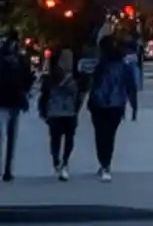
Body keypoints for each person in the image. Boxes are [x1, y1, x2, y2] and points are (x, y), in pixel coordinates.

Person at [88, 35, 138, 182]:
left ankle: (103, 162)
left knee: (100, 134)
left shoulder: (99, 65)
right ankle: (106, 163)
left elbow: (91, 85)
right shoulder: (124, 66)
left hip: (98, 103)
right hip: (116, 104)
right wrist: (134, 106)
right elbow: (131, 88)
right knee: (110, 135)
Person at [38, 48, 86, 181]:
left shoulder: (55, 77)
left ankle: (60, 161)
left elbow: (44, 94)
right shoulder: (69, 77)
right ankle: (62, 161)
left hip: (60, 112)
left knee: (59, 138)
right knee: (63, 138)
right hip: (63, 111)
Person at [0, 29, 35, 182]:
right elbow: (28, 78)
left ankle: (6, 169)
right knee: (10, 136)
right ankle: (7, 170)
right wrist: (25, 93)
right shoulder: (20, 59)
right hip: (14, 100)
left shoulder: (2, 58)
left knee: (2, 136)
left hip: (3, 99)